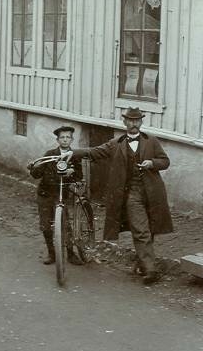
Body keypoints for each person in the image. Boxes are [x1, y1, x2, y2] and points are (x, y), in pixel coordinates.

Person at [66, 107, 173, 284]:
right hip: (131, 193)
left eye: (137, 120)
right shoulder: (115, 144)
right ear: (124, 122)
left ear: (141, 122)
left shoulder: (151, 141)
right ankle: (151, 270)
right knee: (141, 229)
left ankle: (141, 264)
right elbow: (95, 152)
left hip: (153, 193)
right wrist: (73, 152)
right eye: (130, 121)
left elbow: (165, 161)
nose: (133, 124)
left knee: (150, 229)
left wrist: (152, 163)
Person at [27, 125, 86, 265]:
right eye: (62, 137)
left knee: (65, 224)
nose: (65, 140)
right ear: (58, 140)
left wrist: (72, 173)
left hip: (62, 194)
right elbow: (37, 174)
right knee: (46, 225)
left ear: (72, 139)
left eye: (68, 137)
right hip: (46, 193)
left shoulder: (75, 156)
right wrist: (32, 168)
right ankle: (52, 254)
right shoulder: (50, 154)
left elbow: (79, 175)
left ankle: (71, 254)